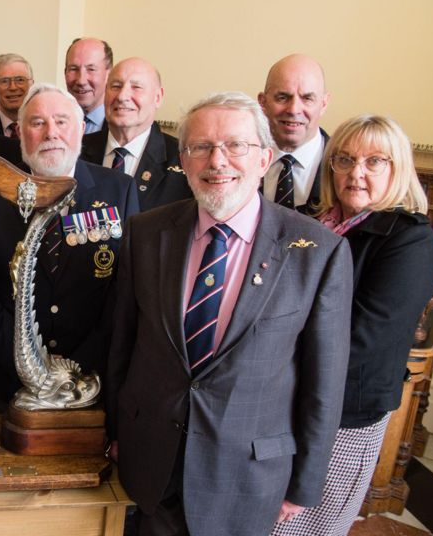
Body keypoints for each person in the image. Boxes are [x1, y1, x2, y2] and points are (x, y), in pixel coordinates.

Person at [106, 92, 352, 536]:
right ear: (183, 160)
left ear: (264, 158)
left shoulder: (317, 251)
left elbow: (324, 383)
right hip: (153, 460)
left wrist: (304, 483)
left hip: (247, 474)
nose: (217, 161)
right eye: (201, 147)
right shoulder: (145, 233)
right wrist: (117, 431)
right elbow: (124, 344)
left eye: (235, 146)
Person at [272, 115, 433, 535]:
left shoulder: (409, 238)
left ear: (397, 168)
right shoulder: (315, 223)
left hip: (343, 413)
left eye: (374, 161)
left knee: (307, 525)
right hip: (285, 401)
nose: (355, 173)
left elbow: (365, 339)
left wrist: (273, 366)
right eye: (344, 159)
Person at [0, 83, 138, 411]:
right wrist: (18, 353)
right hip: (7, 377)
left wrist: (80, 362)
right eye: (37, 123)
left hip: (88, 378)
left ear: (81, 129)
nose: (51, 132)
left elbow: (127, 286)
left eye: (62, 121)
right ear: (20, 133)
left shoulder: (118, 190)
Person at [82, 57, 192, 211]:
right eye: (115, 86)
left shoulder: (184, 159)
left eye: (136, 87)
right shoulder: (75, 151)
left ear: (158, 97)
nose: (122, 97)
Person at [258, 54, 332, 213]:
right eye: (283, 97)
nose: (293, 110)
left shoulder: (347, 169)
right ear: (263, 102)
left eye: (307, 98)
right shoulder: (238, 159)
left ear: (324, 104)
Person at [64, 37, 112, 135]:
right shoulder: (53, 122)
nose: (81, 81)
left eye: (91, 69)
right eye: (73, 69)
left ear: (109, 75)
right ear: (65, 73)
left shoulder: (122, 126)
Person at [0, 53, 34, 139]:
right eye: (4, 81)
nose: (13, 87)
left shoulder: (45, 125)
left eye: (20, 80)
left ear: (31, 84)